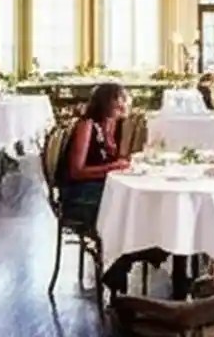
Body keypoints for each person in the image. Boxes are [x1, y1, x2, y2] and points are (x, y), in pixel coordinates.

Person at [56, 83, 166, 294]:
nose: (125, 103)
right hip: (78, 195)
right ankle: (140, 256)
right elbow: (76, 171)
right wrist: (111, 168)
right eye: (120, 99)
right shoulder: (87, 125)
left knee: (142, 205)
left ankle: (127, 261)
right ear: (107, 102)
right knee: (131, 208)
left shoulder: (113, 126)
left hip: (98, 187)